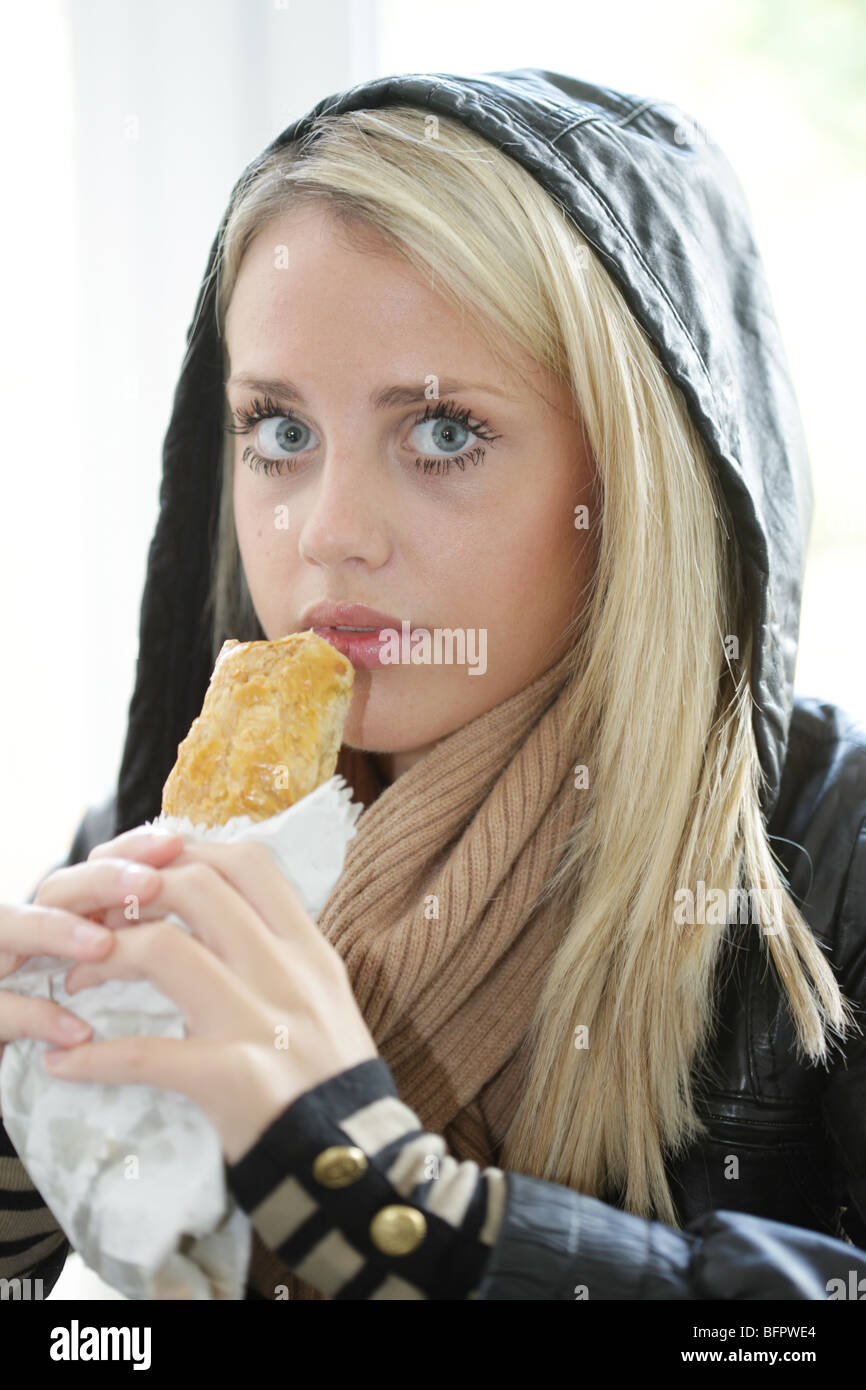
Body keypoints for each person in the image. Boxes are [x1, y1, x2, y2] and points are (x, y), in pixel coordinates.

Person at [2, 67, 865, 1302]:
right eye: (280, 431)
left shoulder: (833, 864)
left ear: (630, 486)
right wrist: (31, 1191)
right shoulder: (140, 874)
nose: (326, 533)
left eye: (442, 431)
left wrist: (411, 1209)